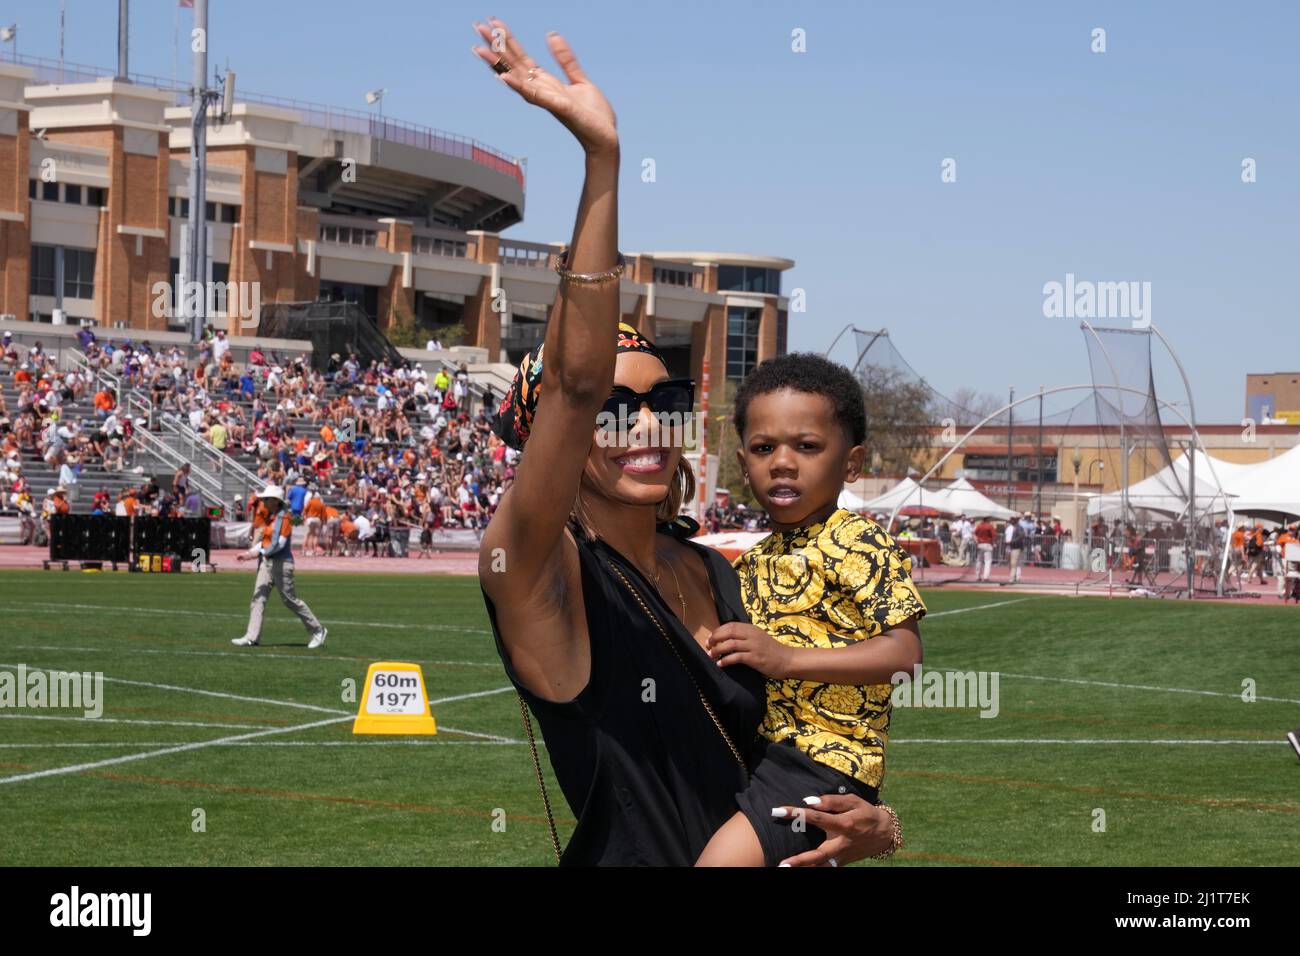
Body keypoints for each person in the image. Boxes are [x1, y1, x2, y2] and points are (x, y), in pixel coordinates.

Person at [474, 17, 894, 868]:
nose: (643, 425)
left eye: (662, 398)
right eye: (610, 412)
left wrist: (872, 827)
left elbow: (797, 750)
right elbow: (576, 381)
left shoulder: (717, 569)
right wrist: (602, 166)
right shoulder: (538, 573)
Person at [695, 354, 922, 866]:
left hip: (823, 766)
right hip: (755, 757)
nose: (782, 461)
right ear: (743, 459)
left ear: (852, 464)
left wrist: (788, 660)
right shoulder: (750, 563)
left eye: (807, 446)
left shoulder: (859, 541)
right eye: (763, 447)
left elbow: (905, 654)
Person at [231, 485, 328, 649]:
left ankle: (318, 630)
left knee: (290, 600)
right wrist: (249, 553)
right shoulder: (273, 517)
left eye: (266, 499)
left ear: (275, 501)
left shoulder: (284, 518)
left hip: (281, 564)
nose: (263, 501)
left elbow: (278, 544)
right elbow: (267, 542)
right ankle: (251, 637)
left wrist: (256, 553)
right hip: (267, 562)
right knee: (258, 598)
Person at [974, 515, 996, 581]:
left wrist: (976, 541)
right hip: (987, 544)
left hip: (980, 544)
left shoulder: (979, 526)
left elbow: (974, 534)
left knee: (979, 561)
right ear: (987, 519)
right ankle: (986, 577)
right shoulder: (990, 526)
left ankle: (978, 576)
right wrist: (994, 543)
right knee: (988, 561)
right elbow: (994, 535)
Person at [1005, 515, 1025, 584]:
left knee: (1014, 563)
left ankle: (1012, 578)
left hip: (1016, 547)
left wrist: (1013, 541)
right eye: (1011, 519)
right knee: (1010, 563)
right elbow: (1006, 535)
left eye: (1013, 519)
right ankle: (1014, 576)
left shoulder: (1019, 527)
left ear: (1016, 520)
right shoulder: (1009, 527)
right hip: (1008, 547)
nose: (1012, 520)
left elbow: (1021, 536)